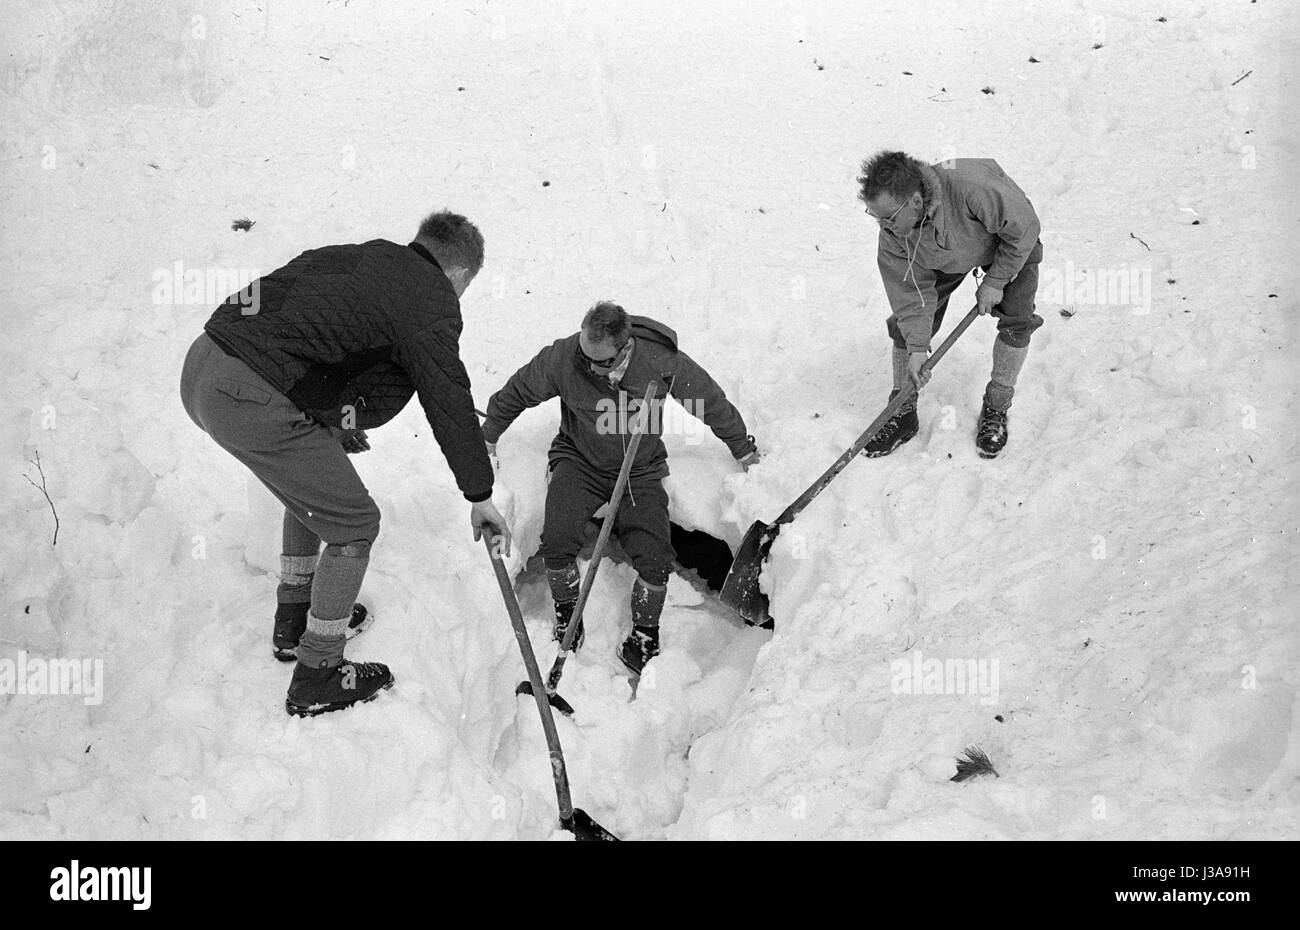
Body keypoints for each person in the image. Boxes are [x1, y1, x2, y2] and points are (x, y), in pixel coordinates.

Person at [179, 210, 510, 717]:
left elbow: (304, 328)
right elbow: (448, 399)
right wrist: (479, 495)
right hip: (250, 393)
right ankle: (318, 673)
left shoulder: (369, 258)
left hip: (204, 366)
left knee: (317, 485)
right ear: (462, 276)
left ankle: (294, 618)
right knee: (355, 525)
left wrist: (333, 416)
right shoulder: (430, 299)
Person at [481, 302, 758, 674]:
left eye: (601, 362)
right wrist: (488, 437)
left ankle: (644, 635)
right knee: (557, 539)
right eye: (585, 355)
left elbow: (709, 402)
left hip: (638, 470)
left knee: (655, 556)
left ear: (624, 348)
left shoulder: (660, 362)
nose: (590, 367)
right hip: (580, 461)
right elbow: (518, 391)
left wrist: (743, 448)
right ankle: (568, 614)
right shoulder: (566, 358)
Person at [857, 151, 1043, 458]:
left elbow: (1024, 229)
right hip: (942, 256)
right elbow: (910, 297)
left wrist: (996, 280)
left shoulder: (972, 188)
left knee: (1017, 322)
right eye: (874, 216)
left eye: (888, 217)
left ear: (915, 202)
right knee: (905, 328)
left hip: (1007, 245)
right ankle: (901, 409)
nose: (882, 226)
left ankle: (997, 405)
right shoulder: (894, 235)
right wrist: (918, 348)